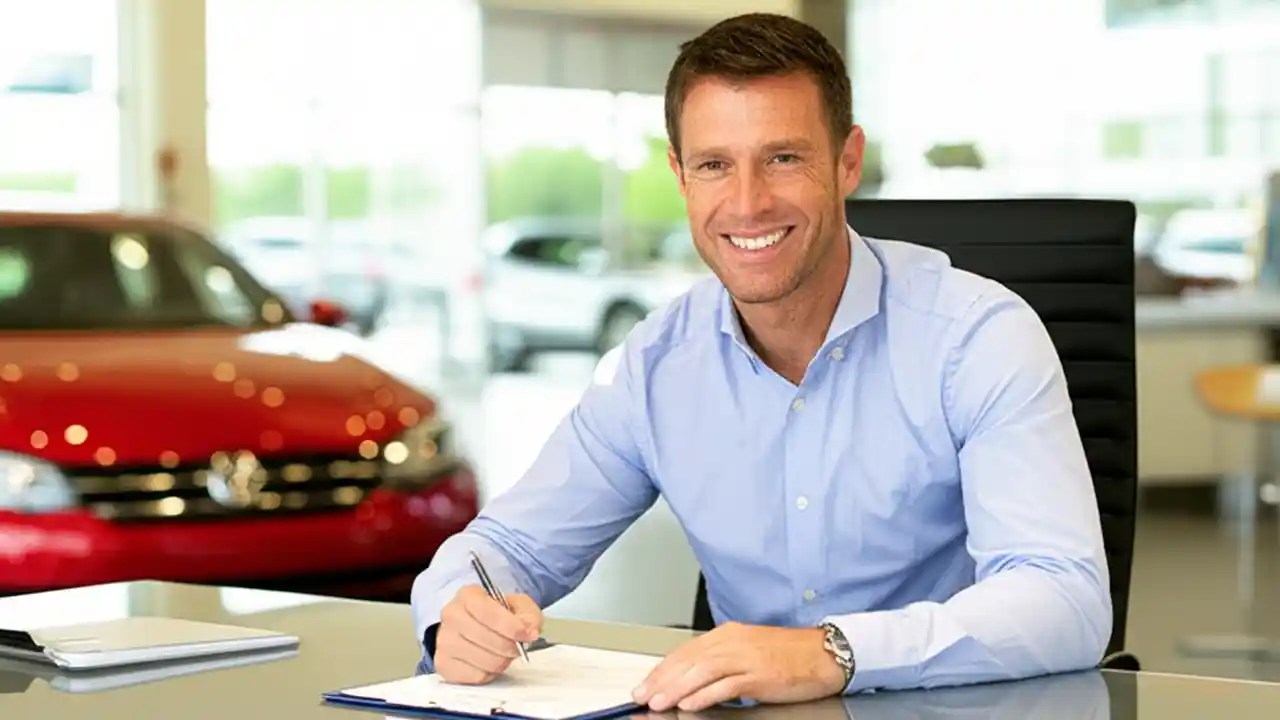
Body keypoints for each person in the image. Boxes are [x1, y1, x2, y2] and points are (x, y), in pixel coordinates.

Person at [411, 12, 1110, 710]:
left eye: (783, 158)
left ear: (846, 161)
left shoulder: (976, 337)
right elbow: (508, 546)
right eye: (715, 165)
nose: (747, 204)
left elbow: (1064, 599)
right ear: (681, 176)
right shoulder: (657, 364)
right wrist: (458, 610)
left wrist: (831, 652)